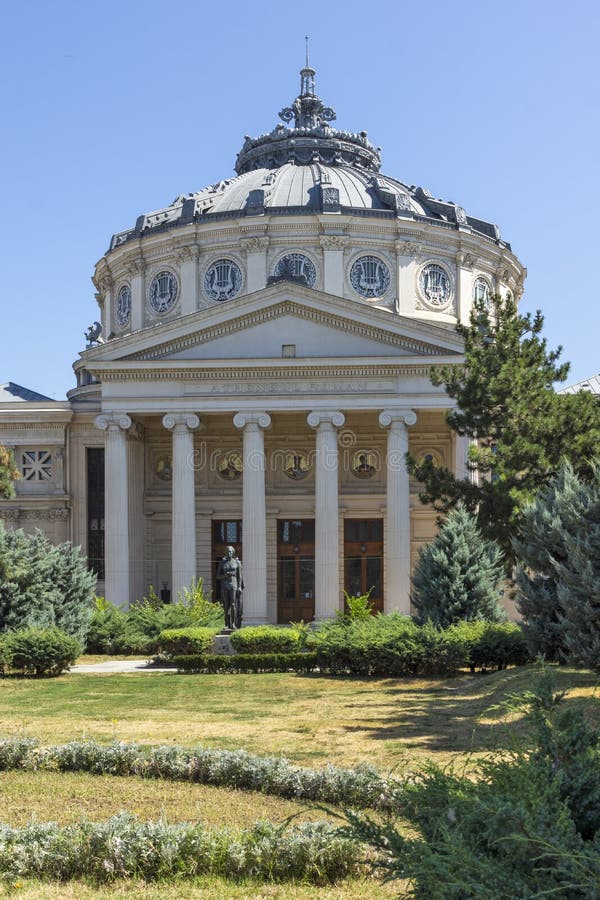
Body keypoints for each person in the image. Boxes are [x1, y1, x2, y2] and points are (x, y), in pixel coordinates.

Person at [216, 545, 244, 629]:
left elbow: (240, 576)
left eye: (230, 551)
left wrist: (239, 587)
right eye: (227, 551)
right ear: (225, 553)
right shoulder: (222, 563)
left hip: (234, 585)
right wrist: (225, 575)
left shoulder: (237, 562)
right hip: (225, 585)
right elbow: (218, 576)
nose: (229, 553)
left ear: (233, 552)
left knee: (233, 604)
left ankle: (233, 624)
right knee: (226, 605)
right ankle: (226, 624)